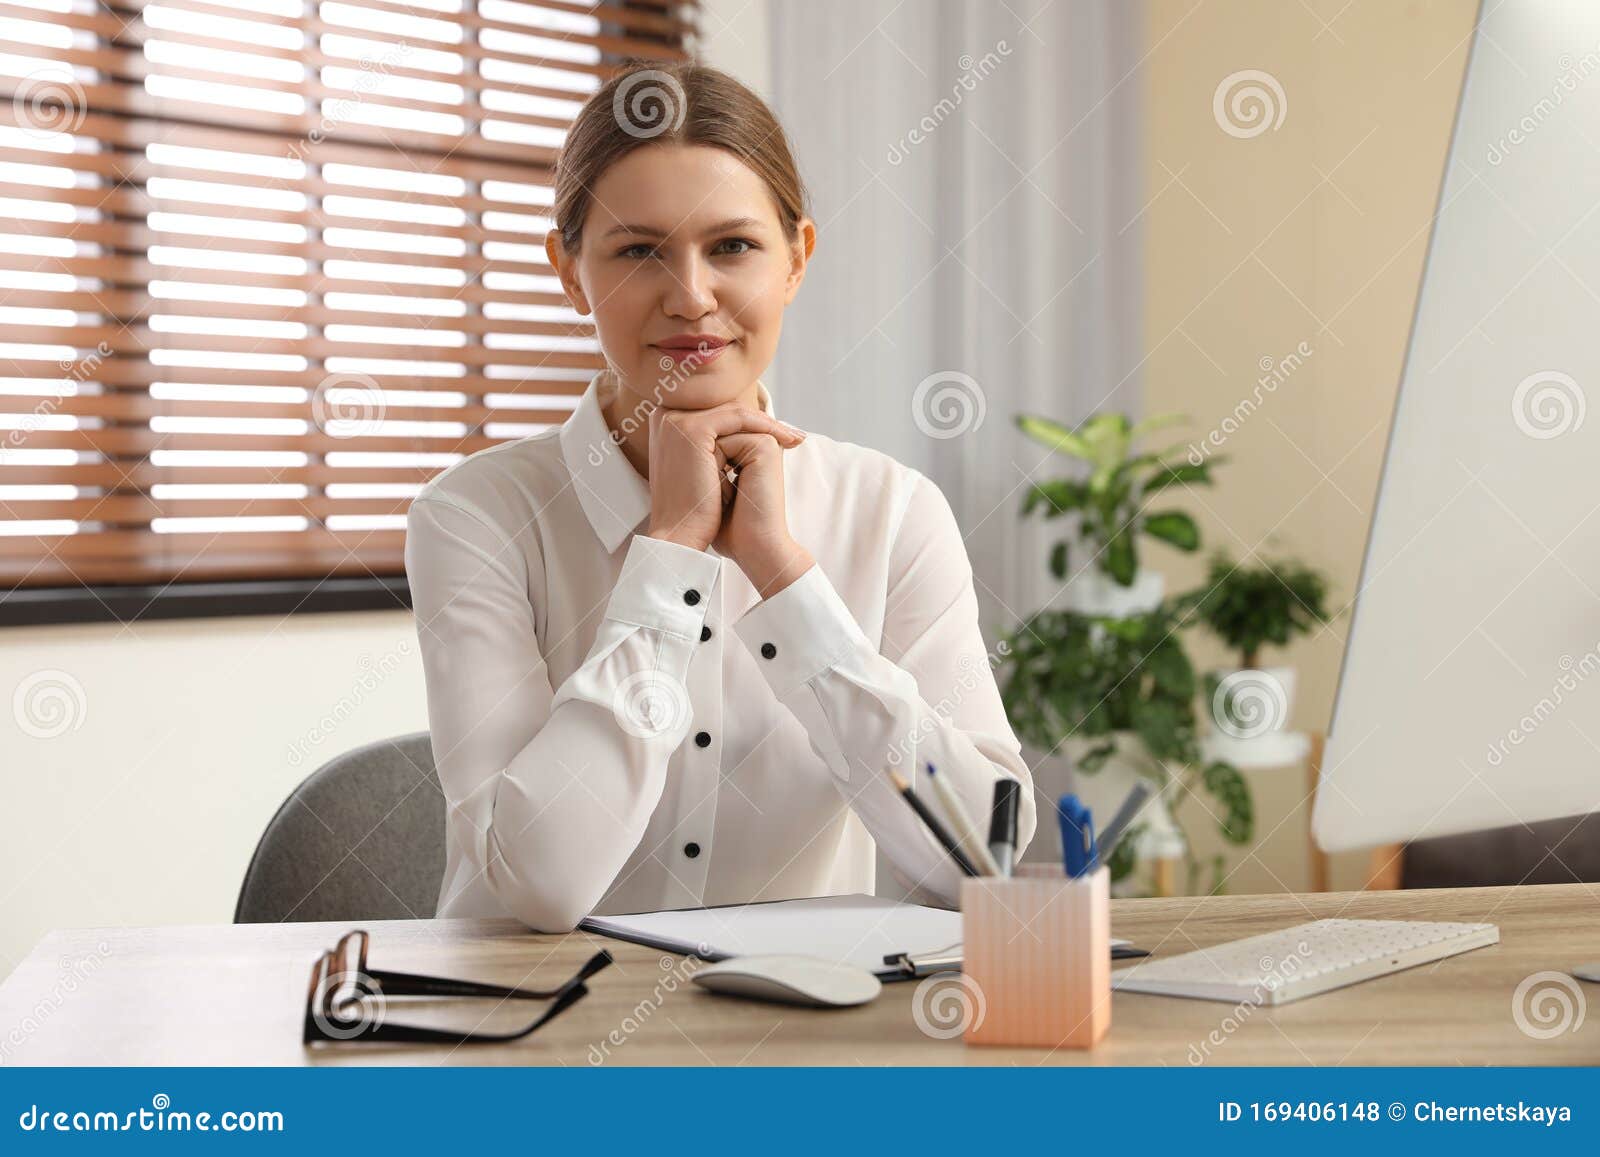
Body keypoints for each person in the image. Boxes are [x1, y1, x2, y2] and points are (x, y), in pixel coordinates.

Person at [405, 61, 1036, 933]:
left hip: (800, 1044)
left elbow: (983, 855)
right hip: (535, 1044)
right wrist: (669, 556)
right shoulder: (476, 516)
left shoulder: (892, 510)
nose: (692, 297)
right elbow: (542, 884)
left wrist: (787, 581)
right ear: (569, 270)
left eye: (732, 247)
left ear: (796, 259)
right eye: (638, 251)